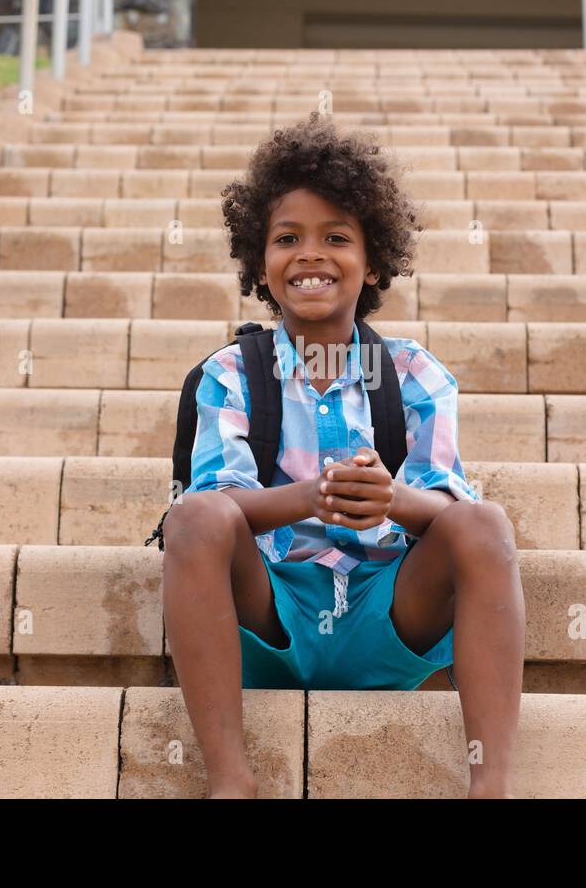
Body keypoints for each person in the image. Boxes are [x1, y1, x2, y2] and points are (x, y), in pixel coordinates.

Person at [160, 113, 524, 798]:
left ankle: (492, 787)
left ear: (375, 260)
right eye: (287, 239)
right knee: (196, 518)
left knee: (485, 524)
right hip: (272, 619)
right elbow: (213, 501)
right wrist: (307, 498)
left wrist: (392, 500)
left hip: (385, 617)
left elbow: (445, 506)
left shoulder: (416, 375)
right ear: (260, 264)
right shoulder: (231, 375)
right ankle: (231, 780)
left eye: (336, 238)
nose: (310, 254)